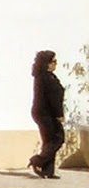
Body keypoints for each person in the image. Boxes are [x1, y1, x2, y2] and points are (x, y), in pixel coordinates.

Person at [30, 49, 65, 179]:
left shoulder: (43, 76)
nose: (55, 64)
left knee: (49, 140)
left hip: (42, 112)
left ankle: (47, 171)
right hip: (46, 114)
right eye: (53, 61)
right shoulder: (46, 78)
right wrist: (59, 114)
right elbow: (53, 98)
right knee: (58, 138)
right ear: (47, 63)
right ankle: (38, 160)